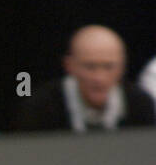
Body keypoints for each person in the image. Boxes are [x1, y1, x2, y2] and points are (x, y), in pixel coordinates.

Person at [14, 26, 156, 132]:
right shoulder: (41, 108)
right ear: (69, 66)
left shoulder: (140, 105)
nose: (99, 78)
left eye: (108, 66)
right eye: (90, 66)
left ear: (122, 67)